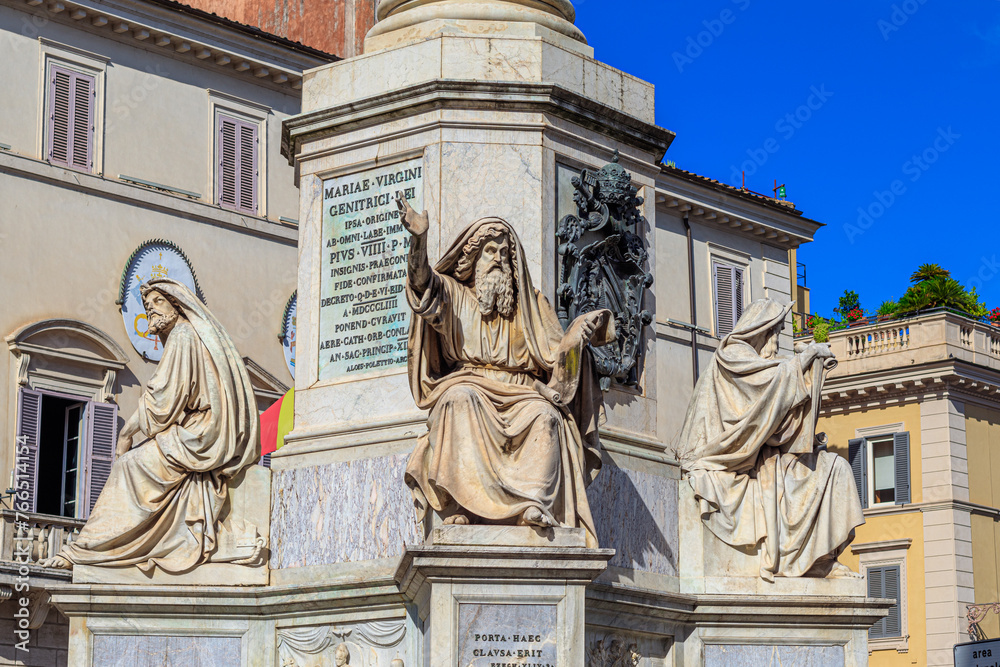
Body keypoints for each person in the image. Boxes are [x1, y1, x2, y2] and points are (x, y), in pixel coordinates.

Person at [397, 194, 614, 547]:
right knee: (457, 400)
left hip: (524, 393)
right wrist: (418, 241)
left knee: (545, 416)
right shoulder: (454, 295)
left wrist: (576, 337)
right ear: (473, 259)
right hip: (471, 385)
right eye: (489, 251)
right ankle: (464, 504)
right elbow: (422, 285)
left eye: (503, 252)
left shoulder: (532, 305)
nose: (497, 258)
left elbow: (557, 359)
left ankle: (531, 504)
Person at [39, 278, 259, 572]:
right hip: (201, 430)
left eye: (158, 301)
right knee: (138, 464)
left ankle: (85, 551)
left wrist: (126, 433)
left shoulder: (183, 335)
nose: (151, 309)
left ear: (176, 305)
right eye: (147, 304)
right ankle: (114, 546)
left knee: (128, 467)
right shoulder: (190, 335)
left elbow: (163, 399)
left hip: (202, 433)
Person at [676, 299, 864, 581]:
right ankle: (811, 560)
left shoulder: (759, 364)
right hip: (729, 458)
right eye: (776, 332)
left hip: (764, 455)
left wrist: (813, 370)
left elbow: (775, 419)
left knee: (837, 468)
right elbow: (768, 390)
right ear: (762, 330)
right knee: (825, 473)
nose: (776, 341)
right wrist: (806, 357)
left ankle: (821, 560)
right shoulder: (732, 356)